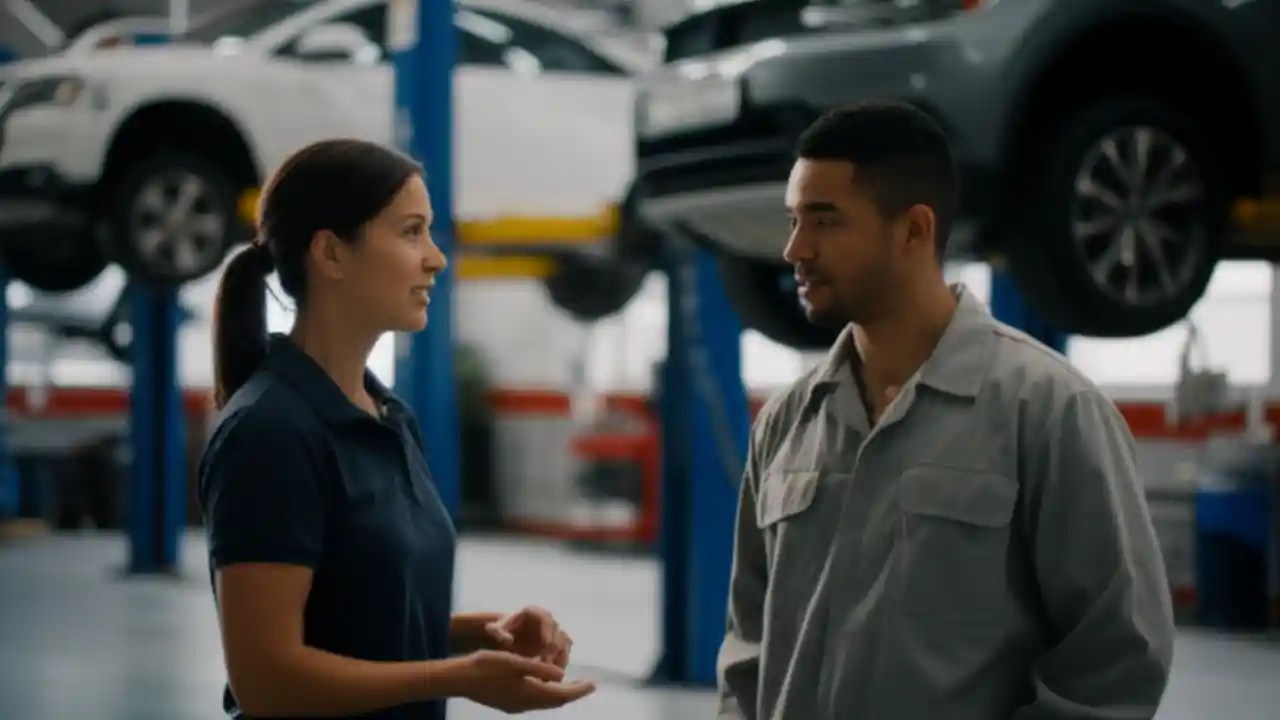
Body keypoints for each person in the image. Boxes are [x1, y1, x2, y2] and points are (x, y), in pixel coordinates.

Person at [716, 101, 1175, 719]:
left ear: (913, 229)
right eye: (794, 220)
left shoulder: (1048, 411)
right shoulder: (786, 423)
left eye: (824, 221)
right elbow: (749, 650)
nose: (796, 248)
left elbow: (1115, 660)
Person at [197, 138, 596, 719]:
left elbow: (361, 617)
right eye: (411, 232)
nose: (436, 257)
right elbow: (267, 679)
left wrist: (481, 634)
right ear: (331, 254)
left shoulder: (387, 418)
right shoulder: (270, 433)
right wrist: (458, 676)